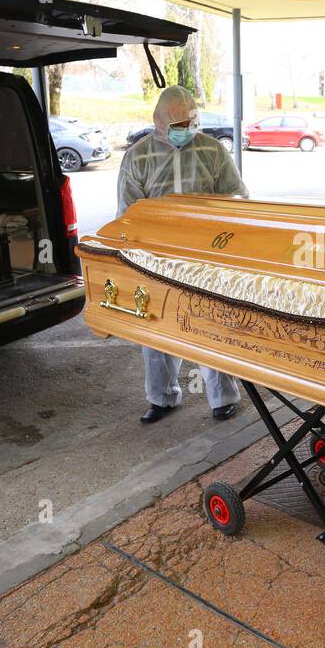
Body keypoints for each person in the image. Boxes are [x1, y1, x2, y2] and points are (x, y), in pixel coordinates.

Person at [118, 85, 248, 423]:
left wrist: (213, 217)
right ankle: (161, 397)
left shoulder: (212, 151)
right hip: (155, 257)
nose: (185, 132)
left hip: (204, 256)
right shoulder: (139, 156)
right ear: (159, 122)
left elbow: (238, 195)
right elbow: (126, 212)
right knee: (155, 327)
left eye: (190, 124)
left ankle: (222, 396)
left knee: (210, 324)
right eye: (177, 127)